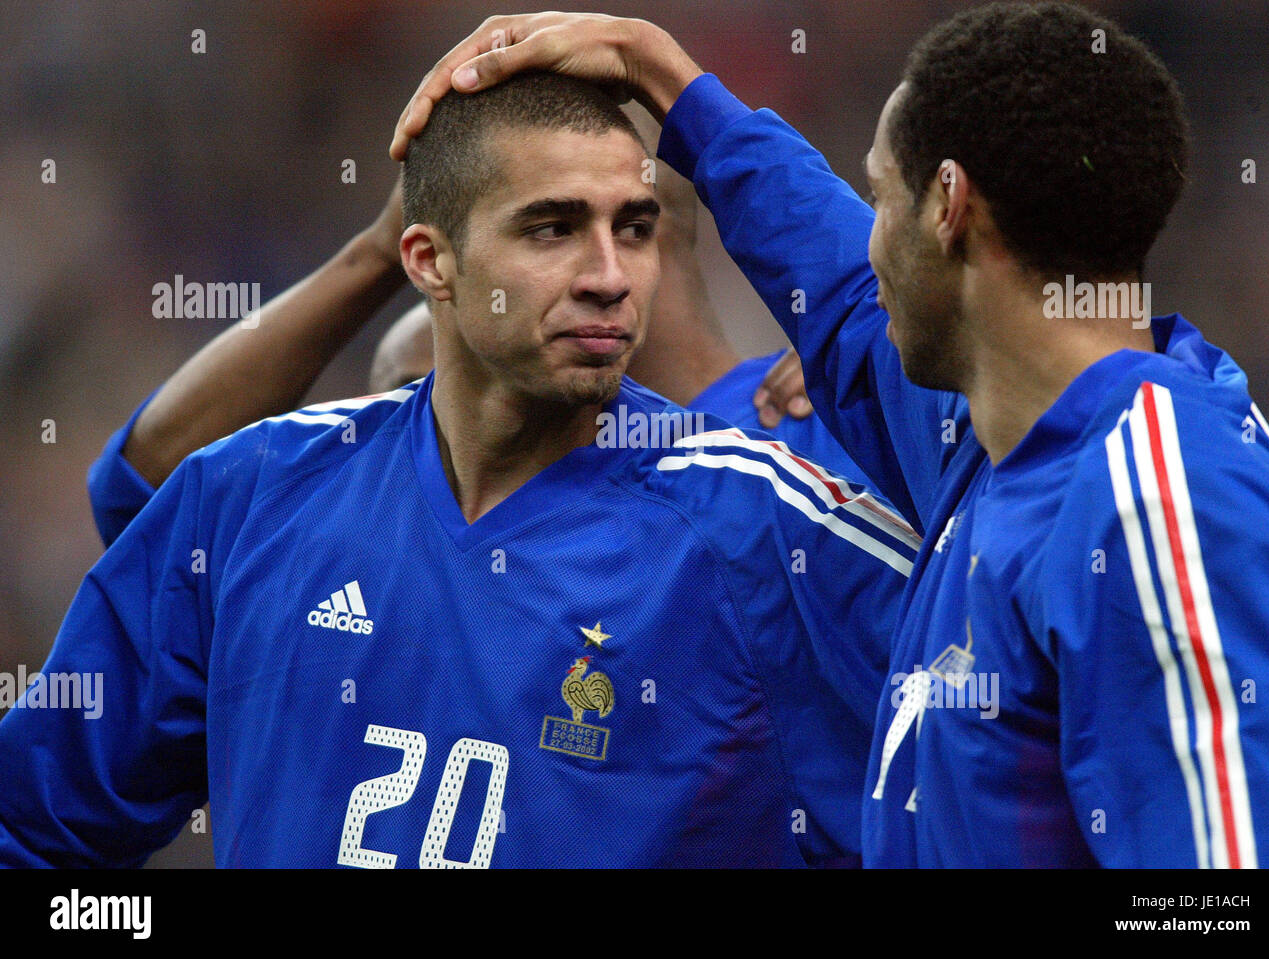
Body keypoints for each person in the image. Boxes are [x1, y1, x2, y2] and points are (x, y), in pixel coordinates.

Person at [392, 5, 1269, 867]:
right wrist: (668, 84)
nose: (869, 241)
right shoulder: (996, 439)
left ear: (948, 206)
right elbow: (838, 289)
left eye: (878, 198)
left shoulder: (1159, 495)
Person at [0, 71, 917, 867]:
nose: (608, 274)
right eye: (552, 229)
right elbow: (34, 825)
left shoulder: (766, 525)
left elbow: (992, 796)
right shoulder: (248, 492)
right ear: (429, 261)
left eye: (633, 229)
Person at [88, 110, 851, 552]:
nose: (423, 431)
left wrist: (863, 350)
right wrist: (377, 250)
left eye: (562, 226)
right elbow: (151, 500)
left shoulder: (823, 438)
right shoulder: (388, 504)